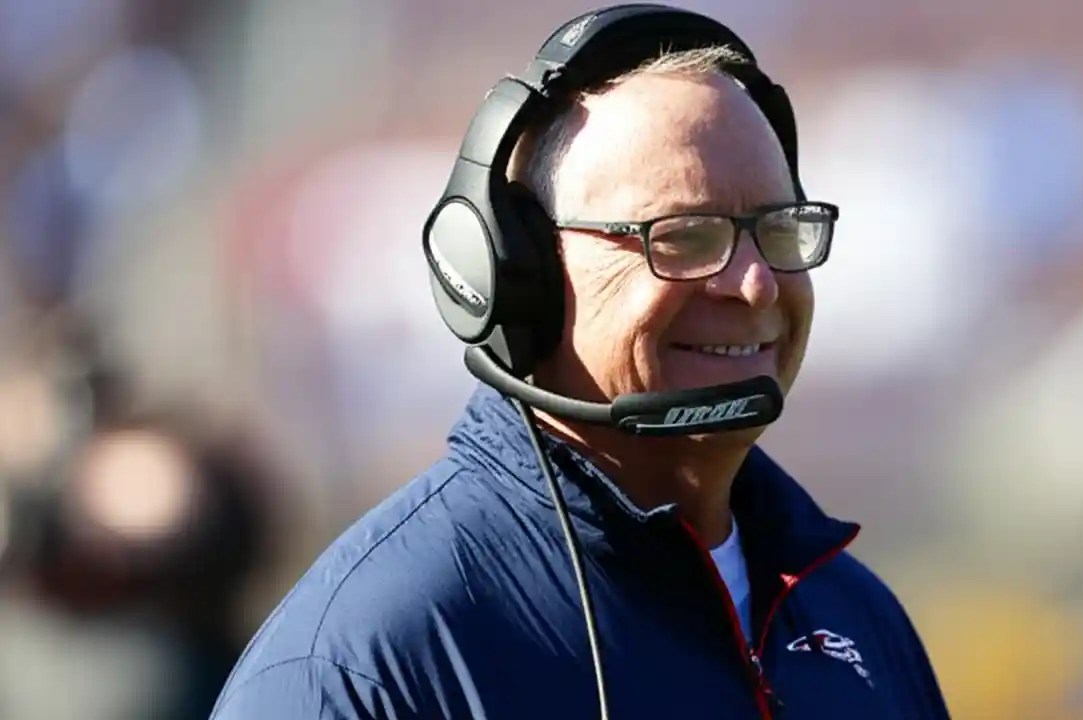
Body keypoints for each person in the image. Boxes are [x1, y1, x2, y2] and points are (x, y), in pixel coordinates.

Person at [210, 6, 950, 719]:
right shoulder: (369, 662)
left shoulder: (859, 617)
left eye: (779, 230)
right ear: (518, 273)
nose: (755, 283)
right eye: (685, 236)